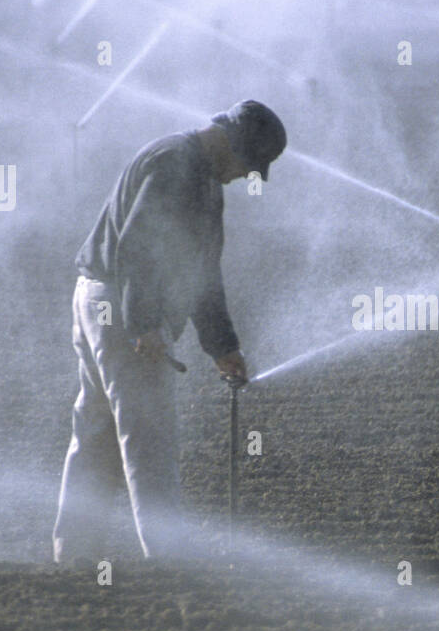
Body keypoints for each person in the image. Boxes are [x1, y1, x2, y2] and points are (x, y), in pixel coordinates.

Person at [53, 100, 286, 563]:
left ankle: (74, 559)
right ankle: (172, 563)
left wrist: (222, 346)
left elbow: (203, 273)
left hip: (100, 300)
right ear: (231, 144)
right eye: (248, 165)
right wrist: (142, 322)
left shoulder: (201, 176)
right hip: (118, 307)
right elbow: (138, 244)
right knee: (150, 440)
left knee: (96, 435)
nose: (245, 176)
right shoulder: (176, 163)